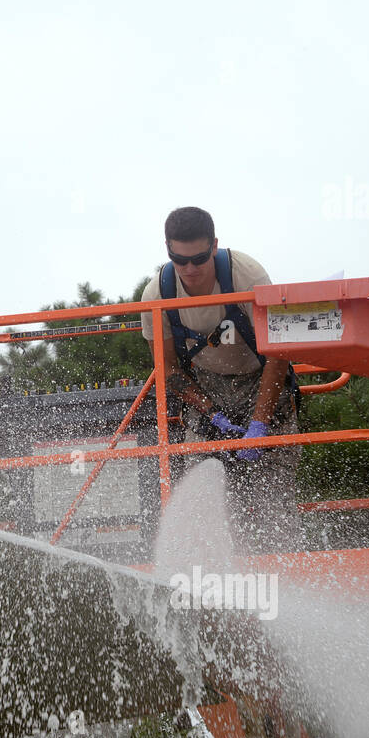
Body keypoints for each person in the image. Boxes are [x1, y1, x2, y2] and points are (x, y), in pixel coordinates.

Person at [139, 206, 304, 554]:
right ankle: (214, 584)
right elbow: (167, 369)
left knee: (274, 504)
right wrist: (212, 413)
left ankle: (286, 573)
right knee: (206, 502)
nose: (190, 269)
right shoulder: (158, 295)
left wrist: (259, 424)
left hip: (261, 383)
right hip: (206, 388)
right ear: (168, 250)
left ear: (214, 245)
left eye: (199, 258)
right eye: (179, 259)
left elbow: (279, 352)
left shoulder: (247, 276)